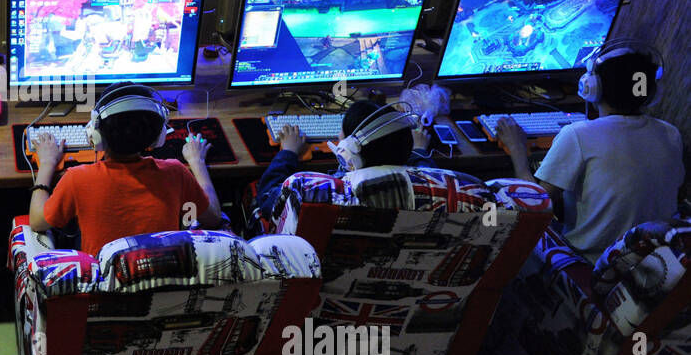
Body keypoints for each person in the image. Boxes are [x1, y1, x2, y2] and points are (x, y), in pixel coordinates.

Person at [496, 42, 684, 263]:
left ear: (590, 87)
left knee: (500, 216)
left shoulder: (577, 135)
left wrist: (517, 149)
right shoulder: (671, 134)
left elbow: (534, 203)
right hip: (650, 264)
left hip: (589, 264)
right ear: (651, 91)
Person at [29, 83, 224, 256]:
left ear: (96, 133)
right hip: (163, 287)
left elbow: (37, 222)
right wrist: (198, 164)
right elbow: (213, 218)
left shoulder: (77, 179)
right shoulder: (177, 172)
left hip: (106, 287)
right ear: (158, 136)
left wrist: (46, 163)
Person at [248, 101, 427, 222]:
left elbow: (267, 199)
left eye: (341, 134)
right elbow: (427, 171)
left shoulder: (315, 191)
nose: (338, 137)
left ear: (348, 153)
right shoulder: (433, 186)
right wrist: (419, 152)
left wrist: (288, 152)